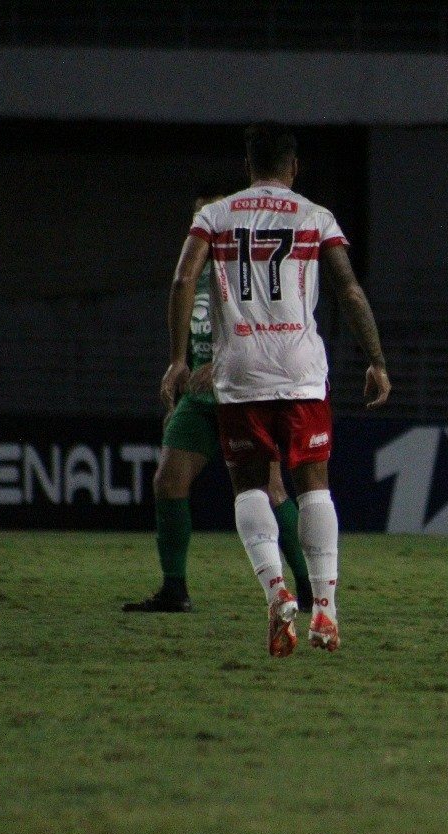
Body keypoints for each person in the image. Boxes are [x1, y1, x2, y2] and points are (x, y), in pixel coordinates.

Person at [162, 122, 390, 657]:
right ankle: (327, 613)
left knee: (249, 486)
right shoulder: (315, 216)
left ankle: (276, 591)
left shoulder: (214, 216)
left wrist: (177, 358)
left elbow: (181, 281)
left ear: (247, 166)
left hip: (239, 368)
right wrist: (376, 360)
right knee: (314, 487)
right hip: (301, 368)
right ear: (293, 166)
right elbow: (351, 293)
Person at [124, 189, 314, 615]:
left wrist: (225, 363)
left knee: (271, 489)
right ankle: (175, 589)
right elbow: (193, 336)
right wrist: (181, 371)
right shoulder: (193, 278)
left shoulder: (248, 273)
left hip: (242, 394)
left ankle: (306, 584)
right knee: (168, 483)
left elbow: (269, 330)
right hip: (199, 399)